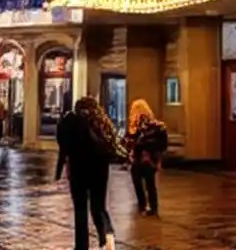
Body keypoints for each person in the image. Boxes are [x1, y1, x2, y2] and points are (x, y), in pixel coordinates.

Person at [57, 96, 122, 250]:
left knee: (80, 209)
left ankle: (81, 246)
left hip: (78, 170)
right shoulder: (102, 121)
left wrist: (62, 167)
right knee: (99, 206)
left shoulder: (72, 120)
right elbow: (111, 145)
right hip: (100, 170)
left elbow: (63, 144)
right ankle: (108, 237)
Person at [124, 99, 168, 216]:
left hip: (144, 159)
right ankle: (151, 207)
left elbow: (131, 142)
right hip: (146, 159)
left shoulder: (145, 127)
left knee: (142, 183)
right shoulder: (151, 127)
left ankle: (145, 205)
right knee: (149, 184)